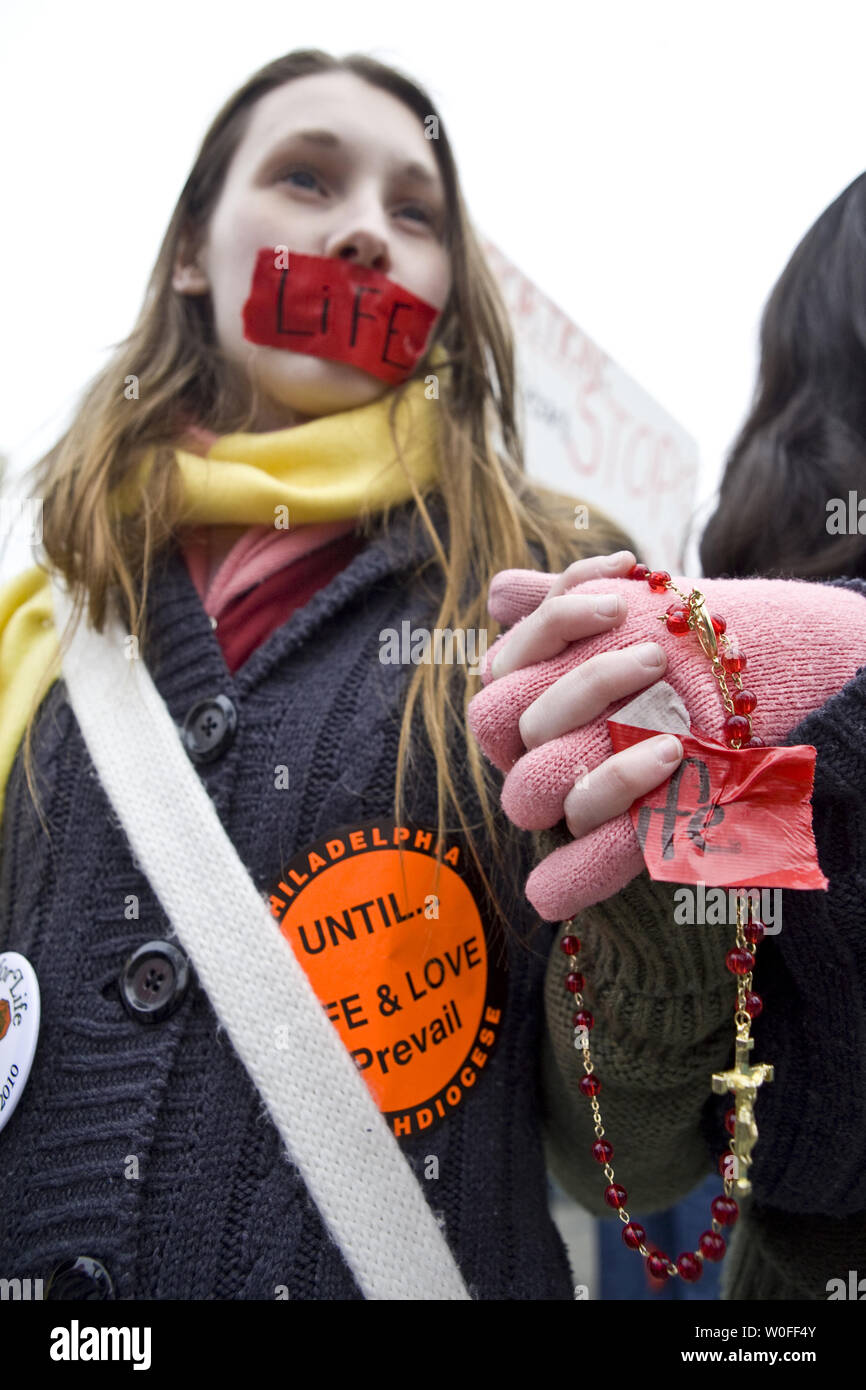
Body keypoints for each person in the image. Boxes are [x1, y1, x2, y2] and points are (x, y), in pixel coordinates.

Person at [0, 48, 863, 1302]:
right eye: (306, 179)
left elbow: (644, 1138)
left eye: (415, 213)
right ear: (192, 248)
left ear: (448, 291)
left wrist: (651, 878)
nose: (362, 231)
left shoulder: (564, 584)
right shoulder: (49, 616)